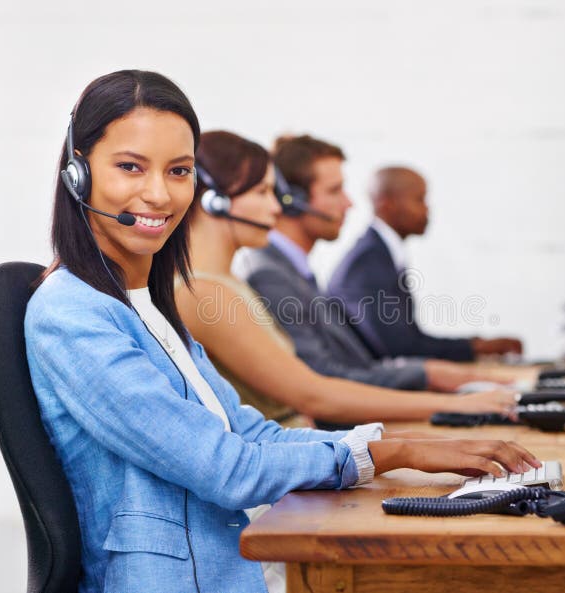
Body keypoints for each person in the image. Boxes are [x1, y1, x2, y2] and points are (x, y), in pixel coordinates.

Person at [23, 70, 541, 593]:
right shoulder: (72, 314)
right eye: (130, 167)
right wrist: (395, 454)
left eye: (179, 171)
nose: (158, 193)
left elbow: (252, 433)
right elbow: (225, 467)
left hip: (231, 565)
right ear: (77, 173)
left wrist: (401, 442)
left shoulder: (148, 305)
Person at [174, 130, 518, 429]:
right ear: (215, 202)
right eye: (263, 192)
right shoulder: (208, 291)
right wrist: (454, 404)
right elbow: (314, 394)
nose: (278, 207)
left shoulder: (229, 282)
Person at [236, 134, 513, 393]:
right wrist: (428, 376)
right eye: (335, 191)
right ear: (292, 201)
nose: (349, 204)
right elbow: (323, 380)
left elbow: (353, 367)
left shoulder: (297, 271)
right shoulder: (270, 274)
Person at [328, 166, 523, 361]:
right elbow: (399, 347)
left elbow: (408, 339)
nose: (427, 209)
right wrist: (476, 347)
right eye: (419, 199)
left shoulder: (381, 254)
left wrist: (476, 346)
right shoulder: (367, 263)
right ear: (388, 204)